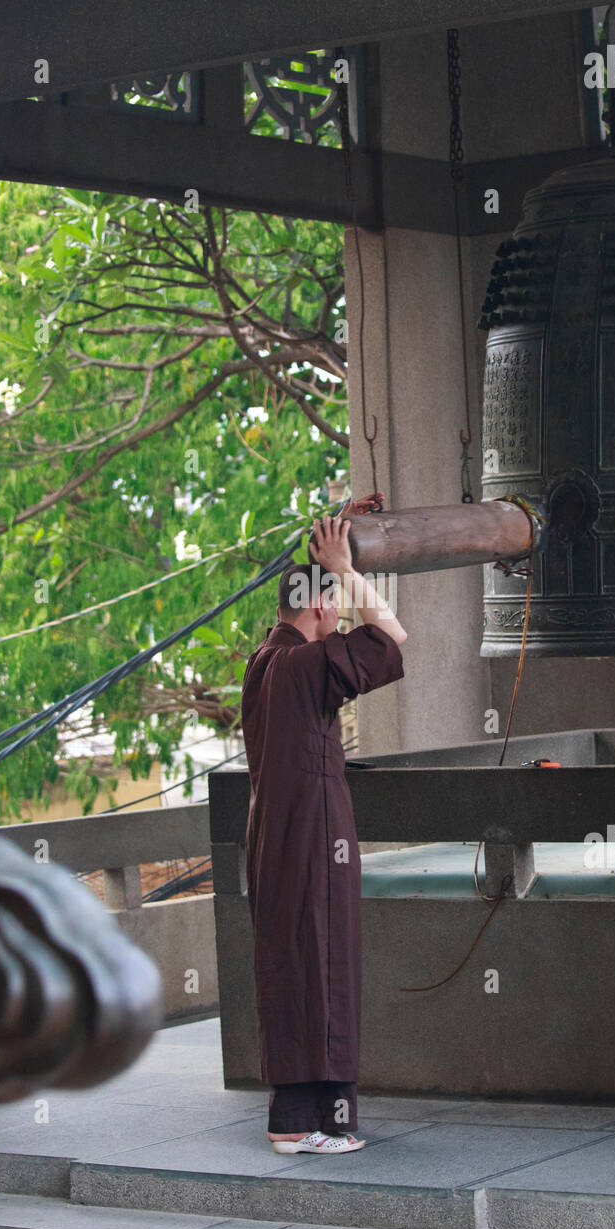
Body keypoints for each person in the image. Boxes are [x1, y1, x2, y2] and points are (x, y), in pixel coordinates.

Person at [240, 494, 407, 1155]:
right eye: (332, 601)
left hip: (279, 837)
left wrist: (338, 528)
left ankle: (302, 1118)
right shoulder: (306, 666)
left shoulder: (266, 661)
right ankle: (312, 1122)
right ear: (315, 607)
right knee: (323, 959)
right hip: (313, 836)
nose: (339, 612)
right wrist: (346, 569)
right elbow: (392, 637)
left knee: (296, 962)